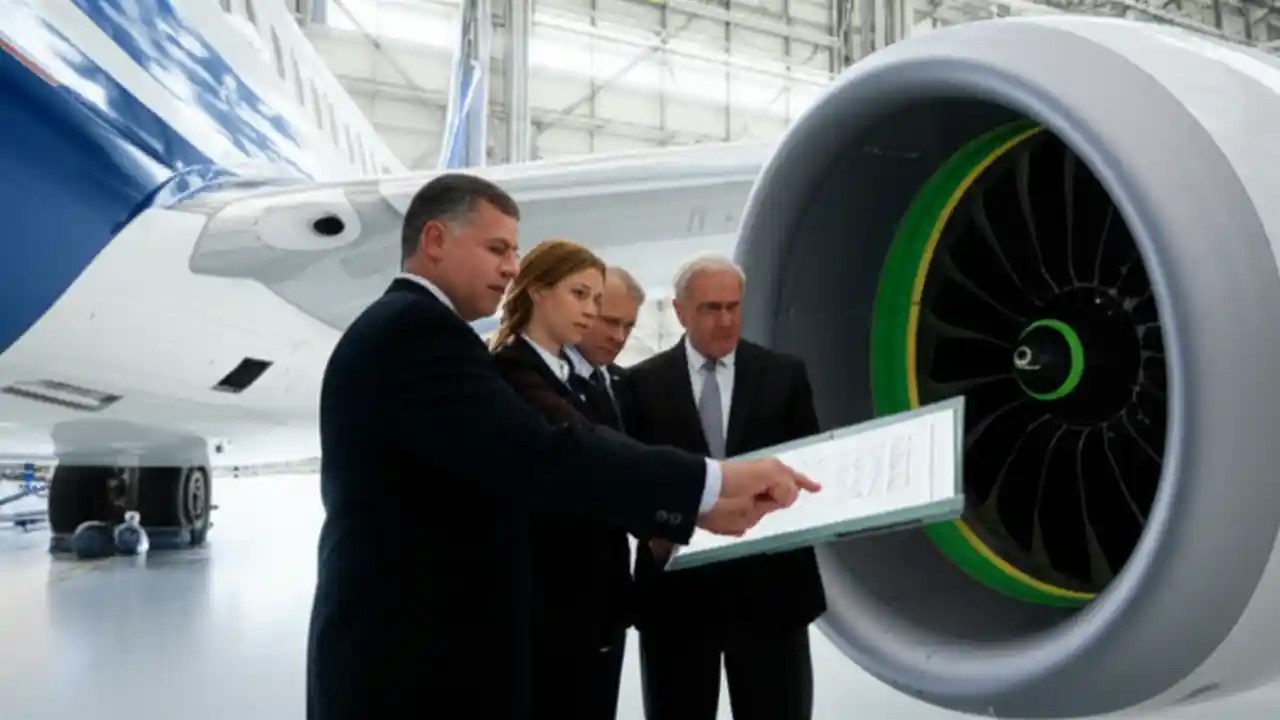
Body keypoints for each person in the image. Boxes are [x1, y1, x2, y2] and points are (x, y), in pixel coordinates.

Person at [304, 174, 819, 720]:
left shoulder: (419, 331)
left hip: (425, 651)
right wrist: (712, 483)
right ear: (434, 240)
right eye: (497, 249)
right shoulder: (417, 334)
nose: (510, 267)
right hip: (409, 664)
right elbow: (547, 455)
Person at [625, 251, 828, 720]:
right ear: (679, 311)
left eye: (733, 306)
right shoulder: (640, 385)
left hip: (773, 595)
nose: (726, 320)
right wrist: (656, 540)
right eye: (711, 308)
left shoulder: (784, 375)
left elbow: (812, 463)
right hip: (677, 601)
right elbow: (631, 484)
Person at [489, 239, 632, 719]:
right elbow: (587, 450)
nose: (591, 313)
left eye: (596, 299)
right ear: (538, 292)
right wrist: (701, 486)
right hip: (550, 611)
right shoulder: (512, 374)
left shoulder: (576, 381)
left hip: (591, 610)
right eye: (580, 295)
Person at [564, 264, 645, 428]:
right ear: (583, 312)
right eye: (610, 322)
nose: (619, 337)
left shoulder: (629, 384)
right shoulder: (550, 377)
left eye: (628, 326)